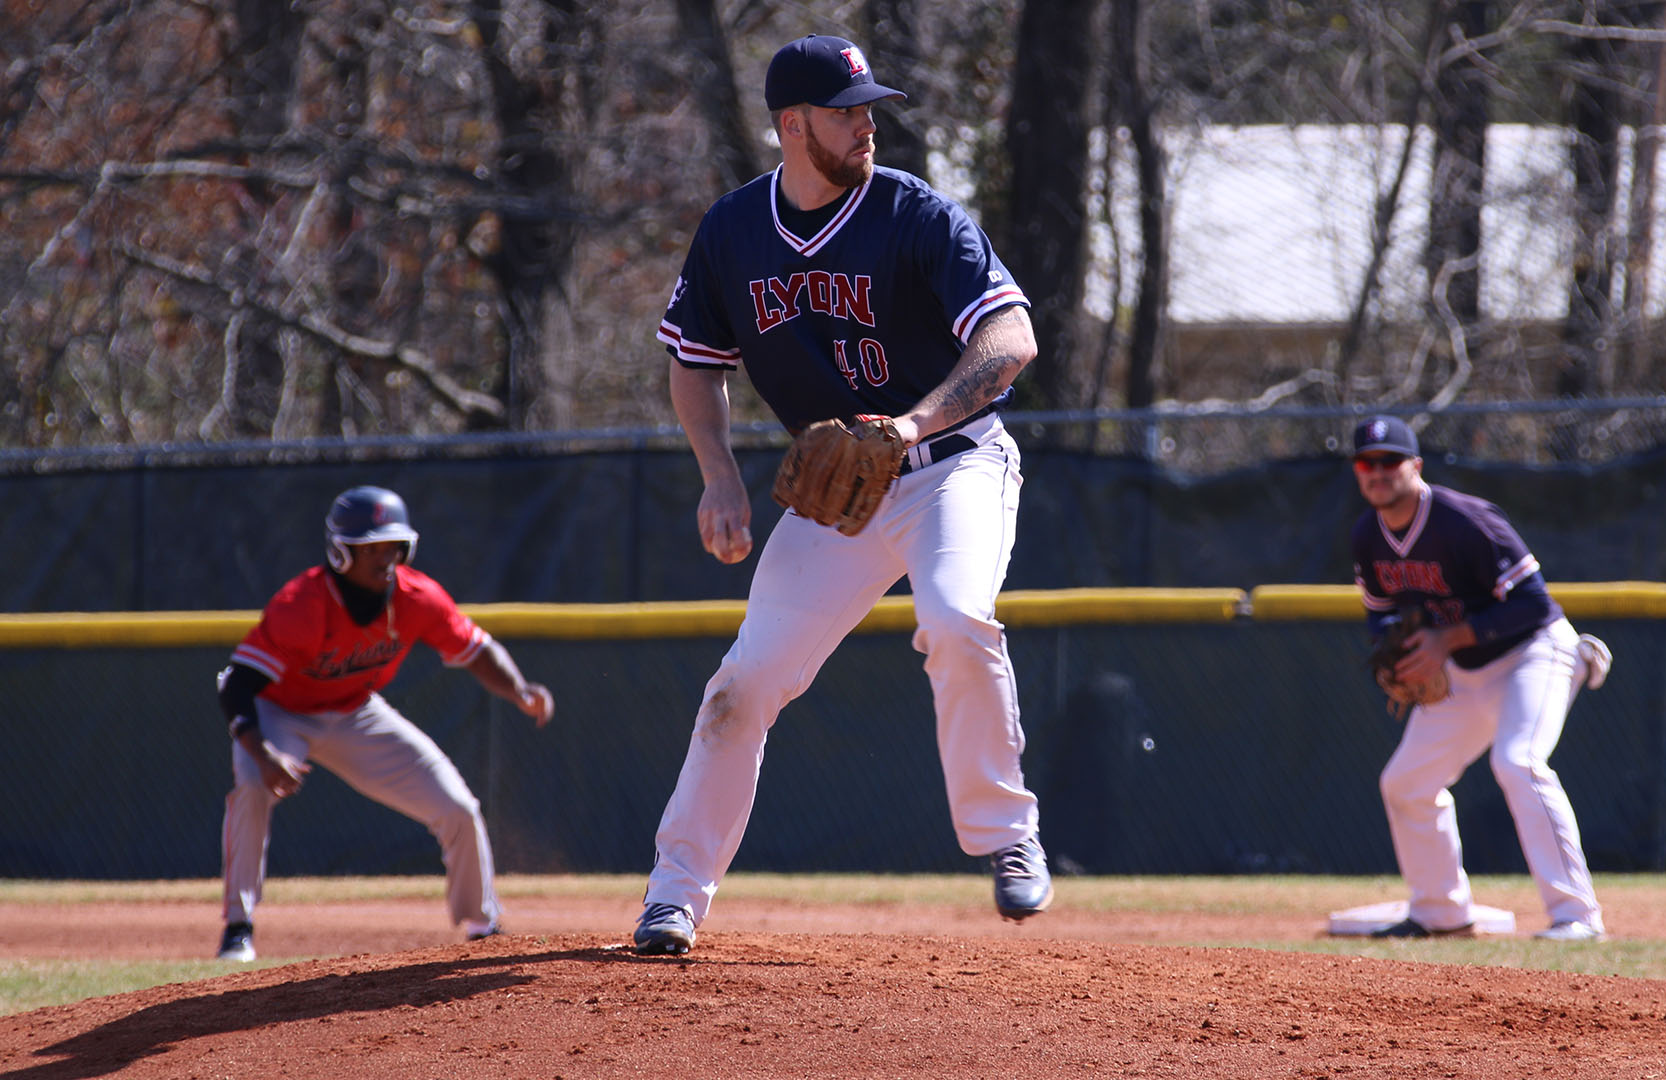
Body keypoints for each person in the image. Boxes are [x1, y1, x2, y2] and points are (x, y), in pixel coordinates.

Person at [636, 33, 1050, 955]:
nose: (867, 125)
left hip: (954, 466)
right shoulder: (733, 232)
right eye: (847, 110)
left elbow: (1011, 340)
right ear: (793, 124)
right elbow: (694, 366)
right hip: (836, 501)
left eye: (870, 108)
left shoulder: (916, 215)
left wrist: (909, 424)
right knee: (741, 687)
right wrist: (718, 478)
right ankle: (674, 894)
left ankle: (1007, 837)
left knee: (953, 617)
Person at [213, 485, 554, 961]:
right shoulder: (302, 604)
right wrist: (263, 753)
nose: (385, 557)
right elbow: (236, 683)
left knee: (458, 807)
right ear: (340, 552)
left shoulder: (417, 596)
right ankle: (238, 926)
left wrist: (518, 689)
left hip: (355, 710)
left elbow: (476, 649)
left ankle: (482, 924)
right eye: (370, 547)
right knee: (251, 788)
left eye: (392, 545)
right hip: (279, 712)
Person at [1348, 416, 1611, 942]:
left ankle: (1577, 916)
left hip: (1533, 652)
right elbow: (1380, 614)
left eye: (1389, 462)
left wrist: (1445, 640)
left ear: (1415, 466)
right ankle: (1439, 912)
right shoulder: (1366, 538)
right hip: (1463, 673)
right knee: (1406, 783)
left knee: (1518, 761)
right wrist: (1395, 654)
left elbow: (1535, 603)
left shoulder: (1466, 520)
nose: (1377, 473)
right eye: (1365, 464)